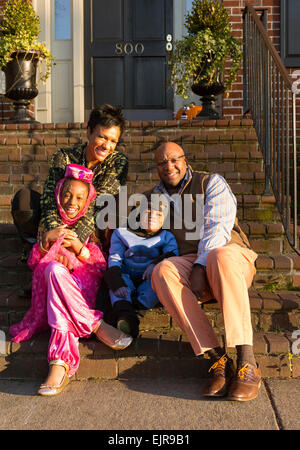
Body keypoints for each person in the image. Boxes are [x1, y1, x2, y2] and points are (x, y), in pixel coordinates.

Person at [149, 141, 261, 402]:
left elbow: (218, 228)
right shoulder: (154, 198)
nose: (169, 166)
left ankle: (248, 362)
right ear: (156, 168)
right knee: (162, 271)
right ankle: (217, 359)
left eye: (174, 159)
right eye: (162, 163)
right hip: (190, 261)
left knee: (219, 255)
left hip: (230, 257)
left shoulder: (211, 183)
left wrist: (200, 265)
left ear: (185, 160)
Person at [9, 164, 132, 396]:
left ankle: (59, 365)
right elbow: (35, 263)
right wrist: (46, 242)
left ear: (87, 201)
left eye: (79, 197)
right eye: (67, 194)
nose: (71, 202)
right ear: (58, 195)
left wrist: (79, 249)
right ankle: (95, 324)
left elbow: (99, 267)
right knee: (53, 270)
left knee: (58, 289)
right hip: (55, 294)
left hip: (79, 293)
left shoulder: (90, 230)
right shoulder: (49, 226)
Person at [11, 104, 128, 273]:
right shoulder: (64, 156)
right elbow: (50, 199)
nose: (107, 146)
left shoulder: (118, 162)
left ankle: (106, 265)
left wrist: (73, 243)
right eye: (102, 137)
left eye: (113, 141)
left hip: (90, 229)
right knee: (24, 199)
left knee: (117, 204)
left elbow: (95, 205)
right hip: (58, 223)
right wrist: (55, 238)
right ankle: (34, 254)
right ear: (89, 132)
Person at [103, 198, 179, 337]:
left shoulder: (166, 236)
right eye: (148, 212)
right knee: (116, 289)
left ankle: (133, 316)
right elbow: (115, 257)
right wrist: (117, 281)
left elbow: (172, 255)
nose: (152, 216)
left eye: (159, 214)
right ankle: (125, 317)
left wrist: (155, 263)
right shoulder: (122, 232)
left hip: (149, 277)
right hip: (126, 272)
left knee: (158, 286)